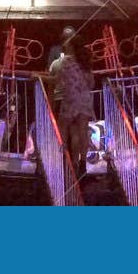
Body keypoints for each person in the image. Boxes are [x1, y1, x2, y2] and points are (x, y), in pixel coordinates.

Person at [48, 26, 94, 194]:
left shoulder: (64, 61)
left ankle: (64, 159)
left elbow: (56, 79)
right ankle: (80, 162)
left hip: (70, 97)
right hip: (85, 99)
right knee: (80, 131)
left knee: (63, 126)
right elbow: (92, 82)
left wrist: (37, 77)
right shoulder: (84, 60)